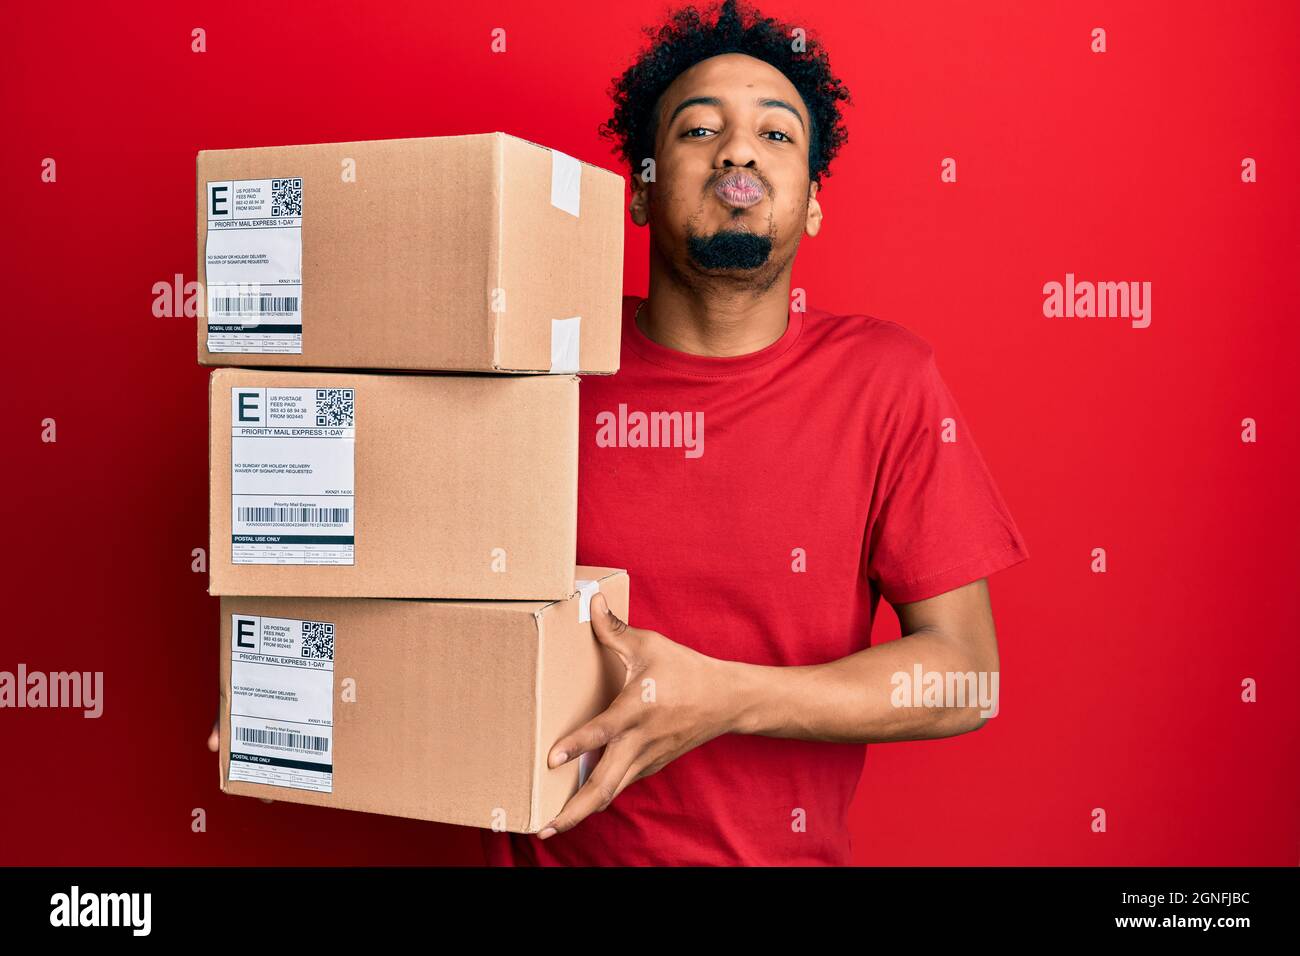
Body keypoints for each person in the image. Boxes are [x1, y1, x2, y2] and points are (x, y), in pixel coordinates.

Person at [480, 0, 1030, 866]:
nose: (738, 150)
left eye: (776, 136)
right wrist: (303, 696)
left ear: (811, 204)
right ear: (642, 190)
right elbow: (415, 573)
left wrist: (726, 697)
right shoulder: (535, 368)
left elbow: (965, 676)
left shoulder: (886, 382)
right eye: (700, 129)